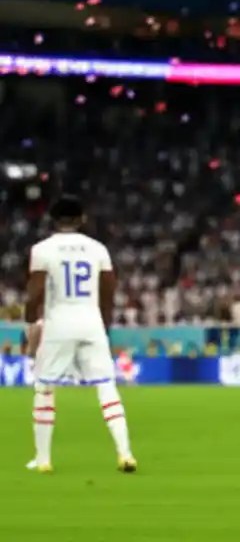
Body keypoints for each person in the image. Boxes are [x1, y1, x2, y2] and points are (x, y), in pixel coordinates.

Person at [24, 196, 136, 474]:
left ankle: (43, 459)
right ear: (82, 219)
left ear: (52, 220)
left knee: (45, 388)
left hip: (58, 324)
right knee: (107, 388)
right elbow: (109, 291)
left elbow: (35, 293)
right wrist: (105, 325)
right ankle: (125, 454)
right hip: (91, 323)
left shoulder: (42, 249)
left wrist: (30, 321)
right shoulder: (98, 249)